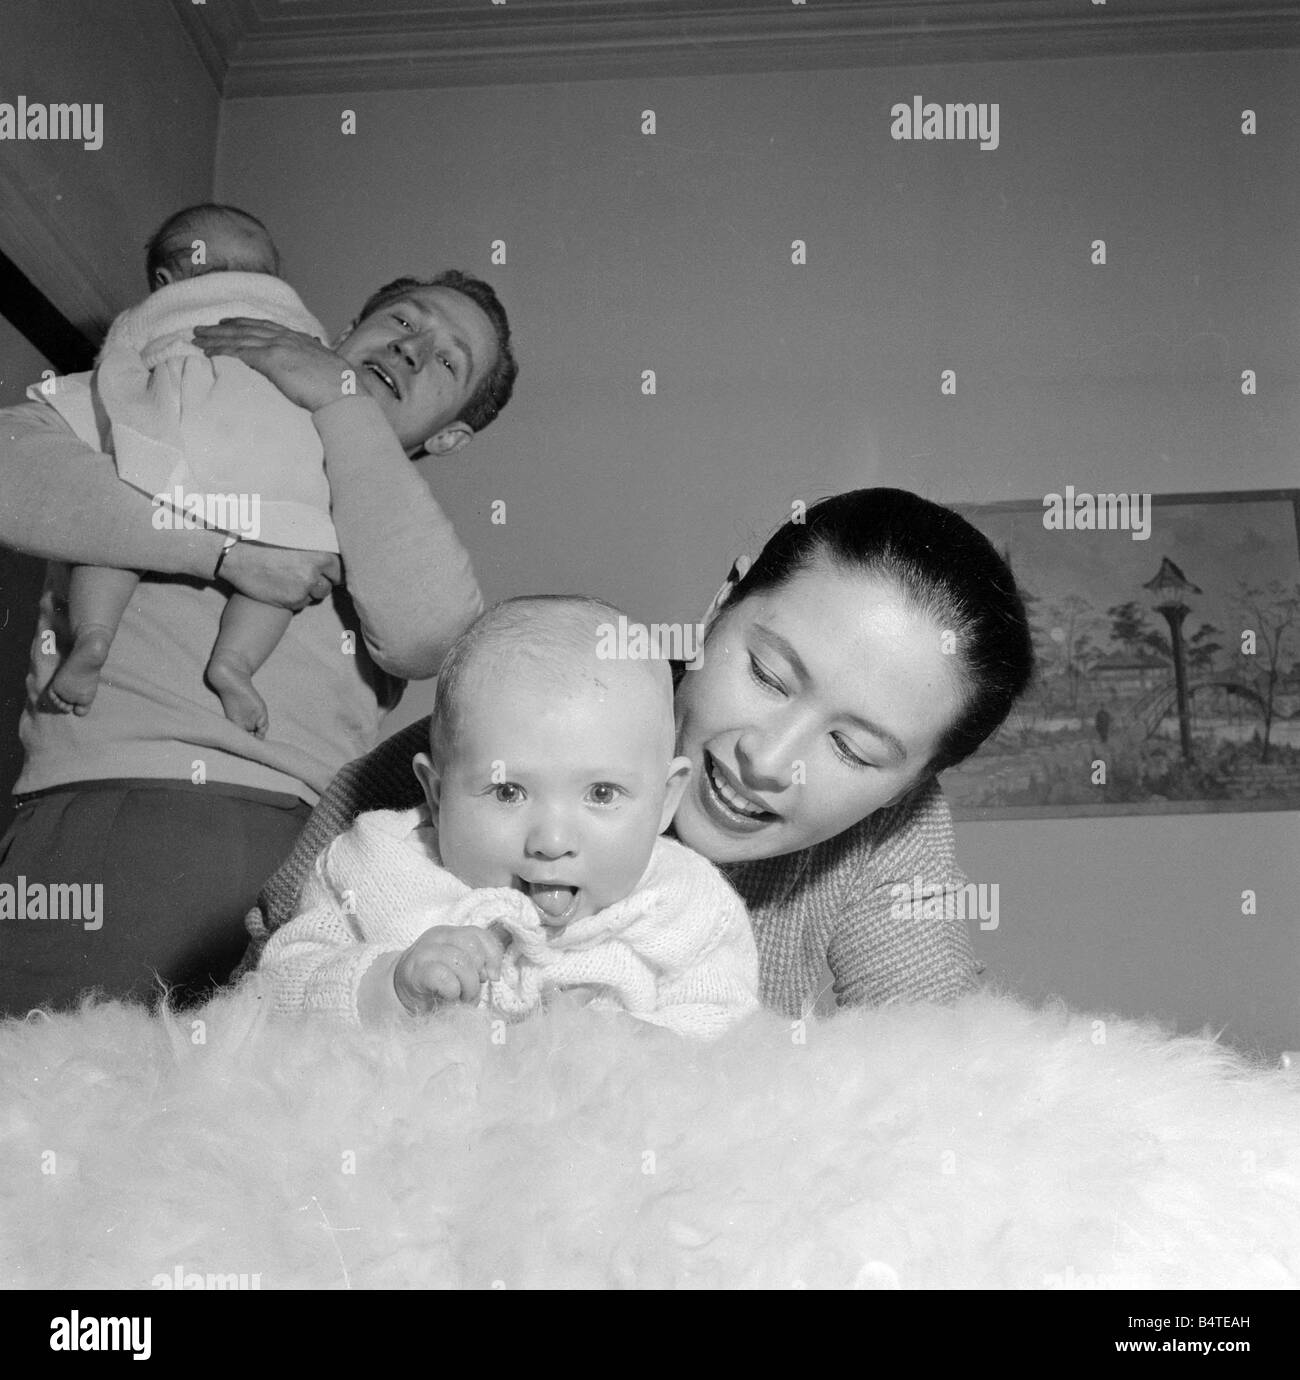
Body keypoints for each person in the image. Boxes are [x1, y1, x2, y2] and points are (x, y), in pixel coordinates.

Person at [245, 489, 1032, 1019]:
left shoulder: (896, 838)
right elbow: (264, 983)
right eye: (766, 674)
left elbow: (937, 1058)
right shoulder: (520, 728)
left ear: (910, 788)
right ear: (719, 604)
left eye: (854, 751)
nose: (769, 758)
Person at [0, 242, 519, 1013]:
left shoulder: (393, 508)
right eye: (403, 320)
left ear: (448, 436)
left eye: (448, 363)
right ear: (344, 330)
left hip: (314, 863)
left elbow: (431, 637)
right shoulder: (185, 389)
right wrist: (224, 554)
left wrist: (343, 405)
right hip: (123, 807)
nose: (413, 348)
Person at [260, 596, 759, 1041]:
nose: (552, 840)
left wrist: (650, 1048)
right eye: (508, 791)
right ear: (437, 794)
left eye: (602, 793)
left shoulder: (685, 903)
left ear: (665, 801)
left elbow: (732, 1030)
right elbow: (274, 992)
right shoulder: (373, 866)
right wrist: (387, 984)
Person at [39, 203, 339, 737]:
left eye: (259, 276)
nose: (243, 284)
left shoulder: (148, 314)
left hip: (181, 424)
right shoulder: (300, 324)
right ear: (167, 281)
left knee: (114, 535)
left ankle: (94, 636)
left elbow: (117, 366)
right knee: (296, 548)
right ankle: (235, 664)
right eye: (220, 271)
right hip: (271, 443)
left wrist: (108, 421)